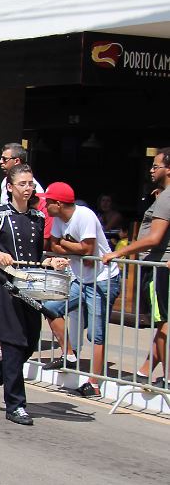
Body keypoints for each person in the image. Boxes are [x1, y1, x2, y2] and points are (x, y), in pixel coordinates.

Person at [0, 165, 68, 425]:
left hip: (29, 287)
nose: (28, 188)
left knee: (29, 344)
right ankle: (16, 405)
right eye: (22, 184)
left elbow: (35, 256)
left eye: (30, 184)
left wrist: (50, 263)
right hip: (4, 286)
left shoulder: (38, 217)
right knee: (13, 344)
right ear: (11, 187)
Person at [102, 148, 170, 391]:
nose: (151, 170)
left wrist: (118, 252)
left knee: (163, 323)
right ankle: (145, 371)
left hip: (159, 268)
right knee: (164, 322)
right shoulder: (164, 197)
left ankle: (168, 379)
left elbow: (154, 238)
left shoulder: (166, 198)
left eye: (156, 166)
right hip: (159, 266)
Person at [42, 182, 122, 382]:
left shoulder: (84, 215)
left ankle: (93, 382)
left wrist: (65, 244)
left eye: (48, 202)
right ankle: (69, 355)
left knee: (96, 332)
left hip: (102, 279)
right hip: (81, 278)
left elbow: (87, 249)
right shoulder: (58, 219)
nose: (45, 206)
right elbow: (53, 245)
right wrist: (73, 248)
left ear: (59, 204)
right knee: (50, 308)